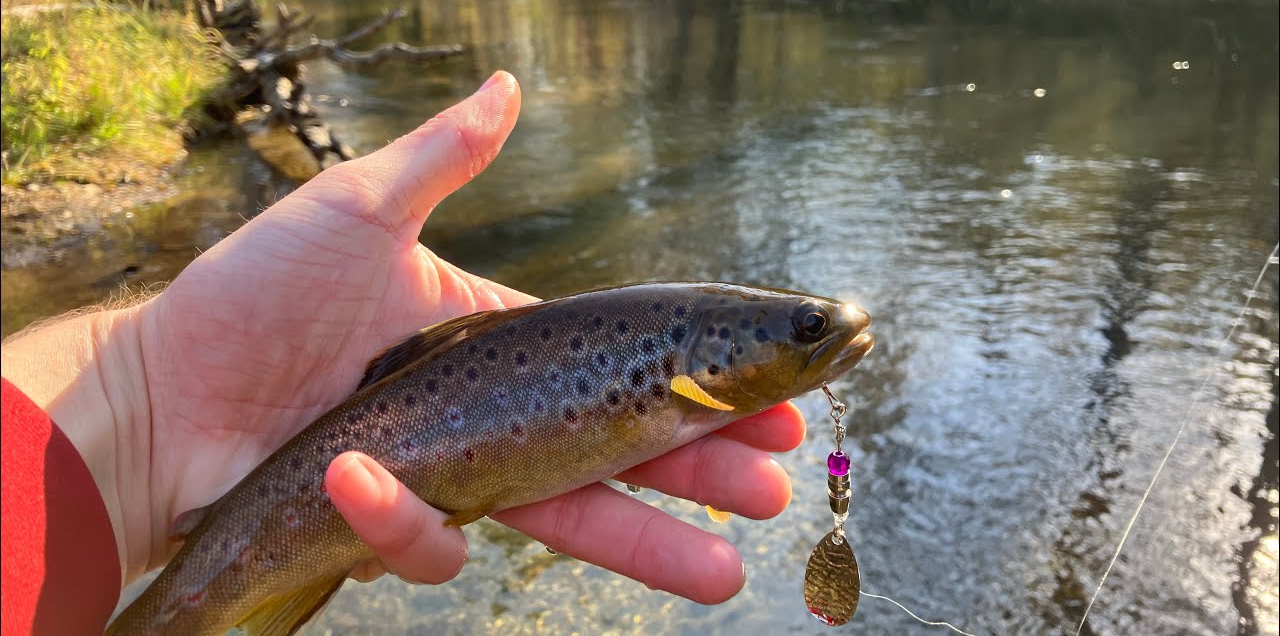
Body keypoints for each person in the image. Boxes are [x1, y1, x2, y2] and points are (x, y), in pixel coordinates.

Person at [0, 72, 807, 635]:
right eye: (806, 330)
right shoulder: (675, 365)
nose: (825, 335)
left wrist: (135, 392)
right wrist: (139, 386)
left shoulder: (682, 369)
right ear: (714, 353)